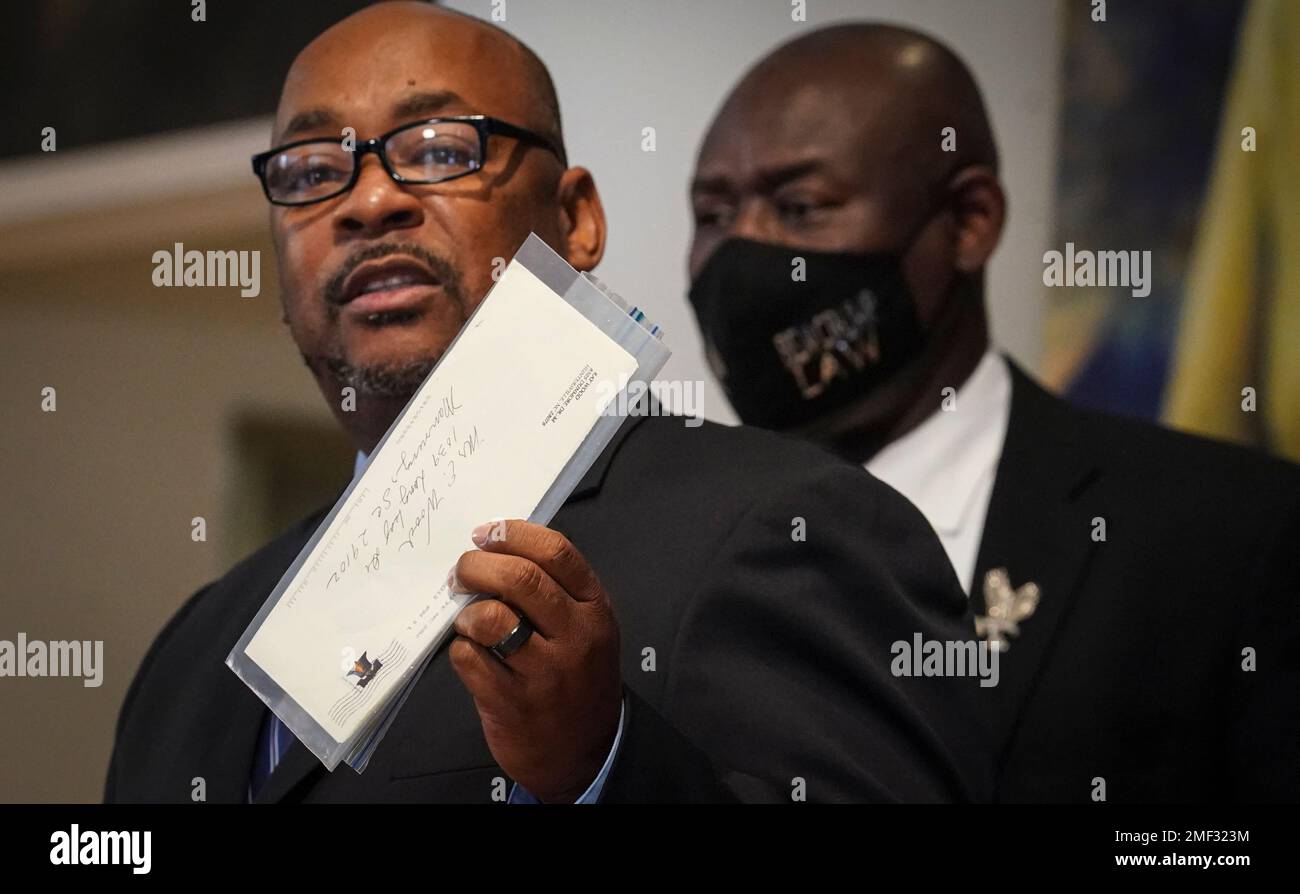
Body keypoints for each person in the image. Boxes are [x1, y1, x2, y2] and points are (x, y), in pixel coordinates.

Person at [105, 3, 991, 804]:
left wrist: (602, 767)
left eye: (440, 150)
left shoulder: (790, 529)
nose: (369, 201)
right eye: (309, 172)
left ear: (577, 221)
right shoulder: (194, 648)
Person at [687, 22, 1300, 802]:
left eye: (801, 207)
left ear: (970, 222)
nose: (745, 251)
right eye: (712, 215)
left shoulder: (1234, 533)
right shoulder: (676, 537)